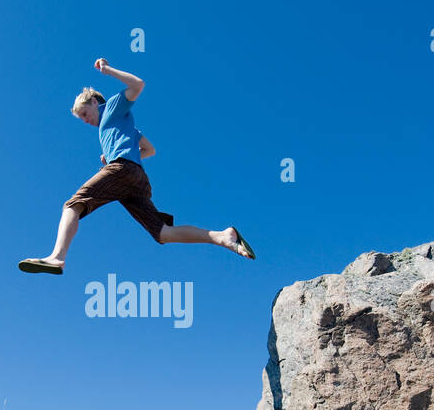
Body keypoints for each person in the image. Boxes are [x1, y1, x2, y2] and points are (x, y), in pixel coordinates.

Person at [18, 58, 256, 274]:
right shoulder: (123, 127)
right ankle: (223, 237)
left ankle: (57, 257)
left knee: (72, 205)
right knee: (163, 233)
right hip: (136, 180)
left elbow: (138, 84)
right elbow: (149, 150)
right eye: (82, 120)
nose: (86, 121)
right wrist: (118, 155)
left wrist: (108, 70)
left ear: (93, 102)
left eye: (84, 114)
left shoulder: (110, 108)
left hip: (123, 170)